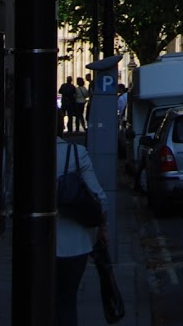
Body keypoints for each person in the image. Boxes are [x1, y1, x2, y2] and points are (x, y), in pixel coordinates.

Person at [56, 131, 107, 326]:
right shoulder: (77, 153)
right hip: (75, 245)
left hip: (39, 244)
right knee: (68, 301)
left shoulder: (28, 154)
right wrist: (104, 227)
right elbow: (99, 196)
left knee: (45, 300)